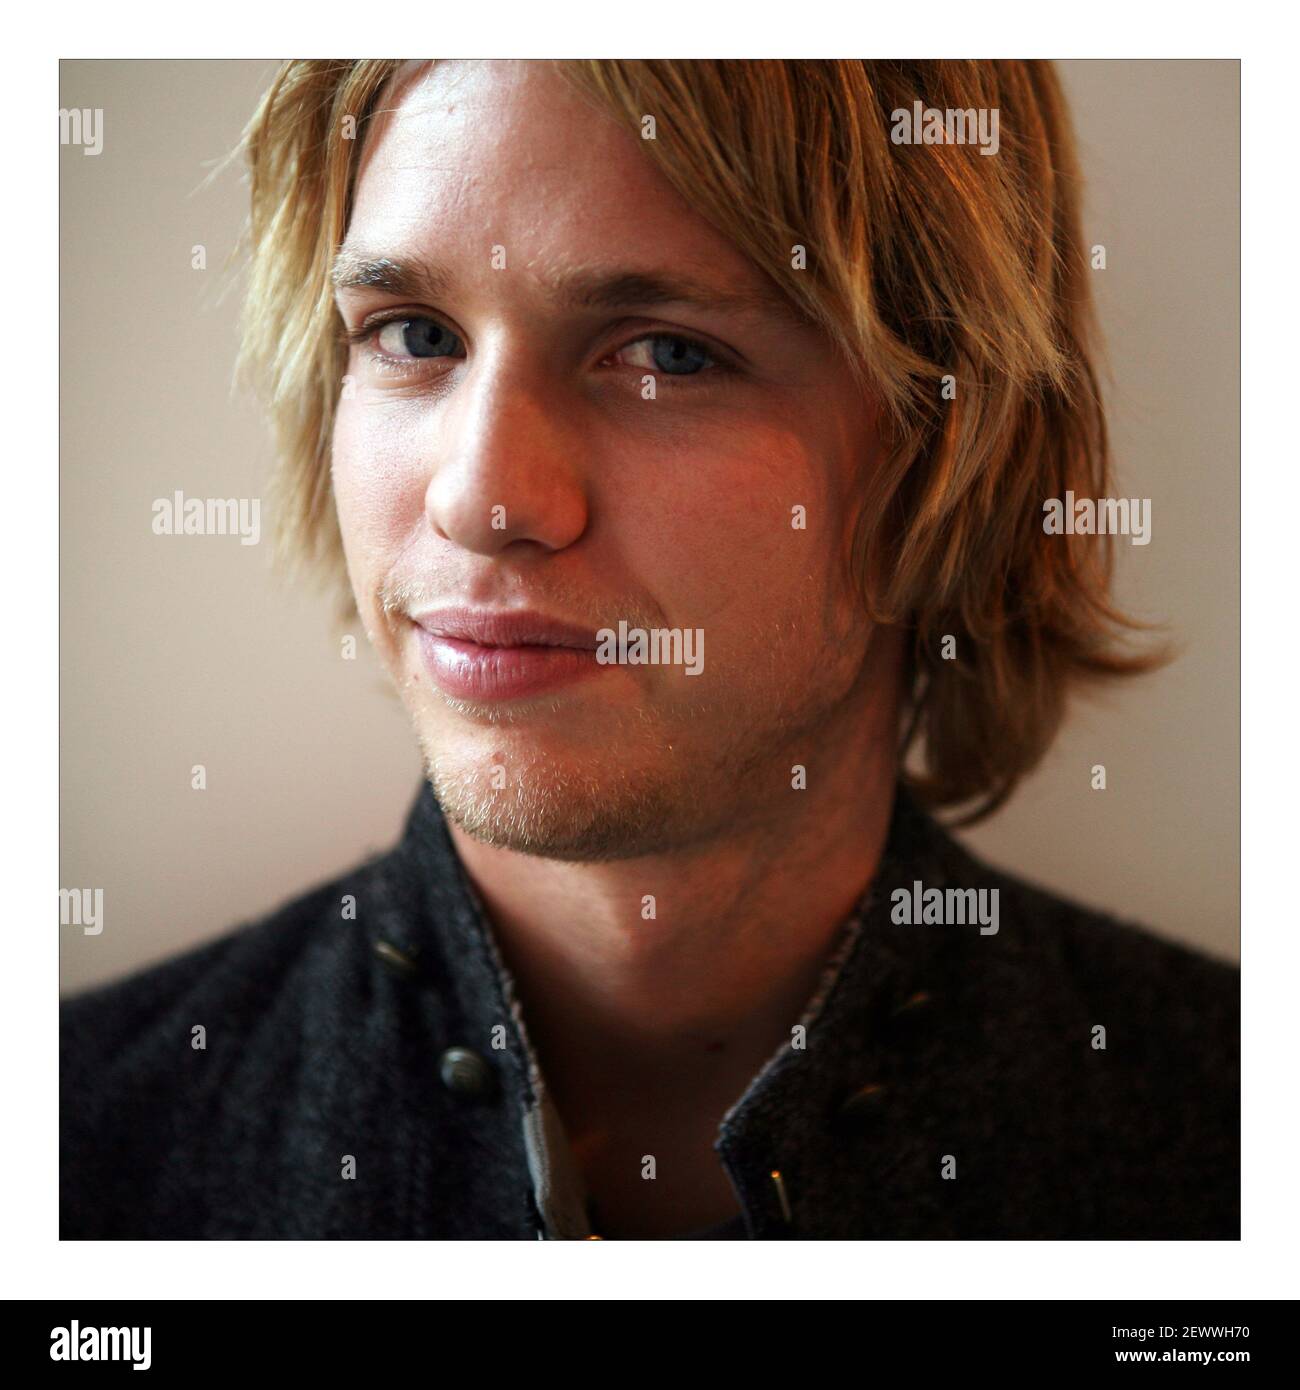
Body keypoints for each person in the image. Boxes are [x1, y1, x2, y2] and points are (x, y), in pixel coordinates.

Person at [60, 58, 1237, 1240]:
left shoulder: (1228, 1148)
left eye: (668, 354)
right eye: (413, 332)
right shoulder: (75, 1151)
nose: (480, 497)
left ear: (954, 455)